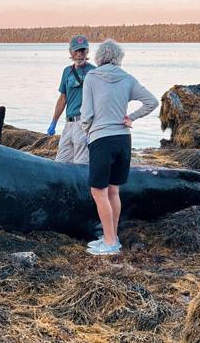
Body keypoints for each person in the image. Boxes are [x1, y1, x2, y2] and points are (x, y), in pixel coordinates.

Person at [80, 39, 158, 256]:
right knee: (113, 190)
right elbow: (152, 102)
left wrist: (88, 132)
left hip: (101, 139)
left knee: (98, 192)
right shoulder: (127, 78)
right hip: (123, 139)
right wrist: (131, 117)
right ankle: (112, 237)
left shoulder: (92, 77)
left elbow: (86, 113)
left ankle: (110, 243)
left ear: (99, 57)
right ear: (118, 57)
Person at [47, 35, 97, 163]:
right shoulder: (67, 71)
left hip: (84, 123)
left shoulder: (94, 71)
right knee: (60, 161)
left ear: (87, 52)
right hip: (69, 123)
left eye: (82, 51)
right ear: (71, 52)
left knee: (81, 162)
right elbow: (62, 99)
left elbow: (100, 100)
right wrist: (54, 122)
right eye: (76, 51)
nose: (79, 54)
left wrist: (93, 128)